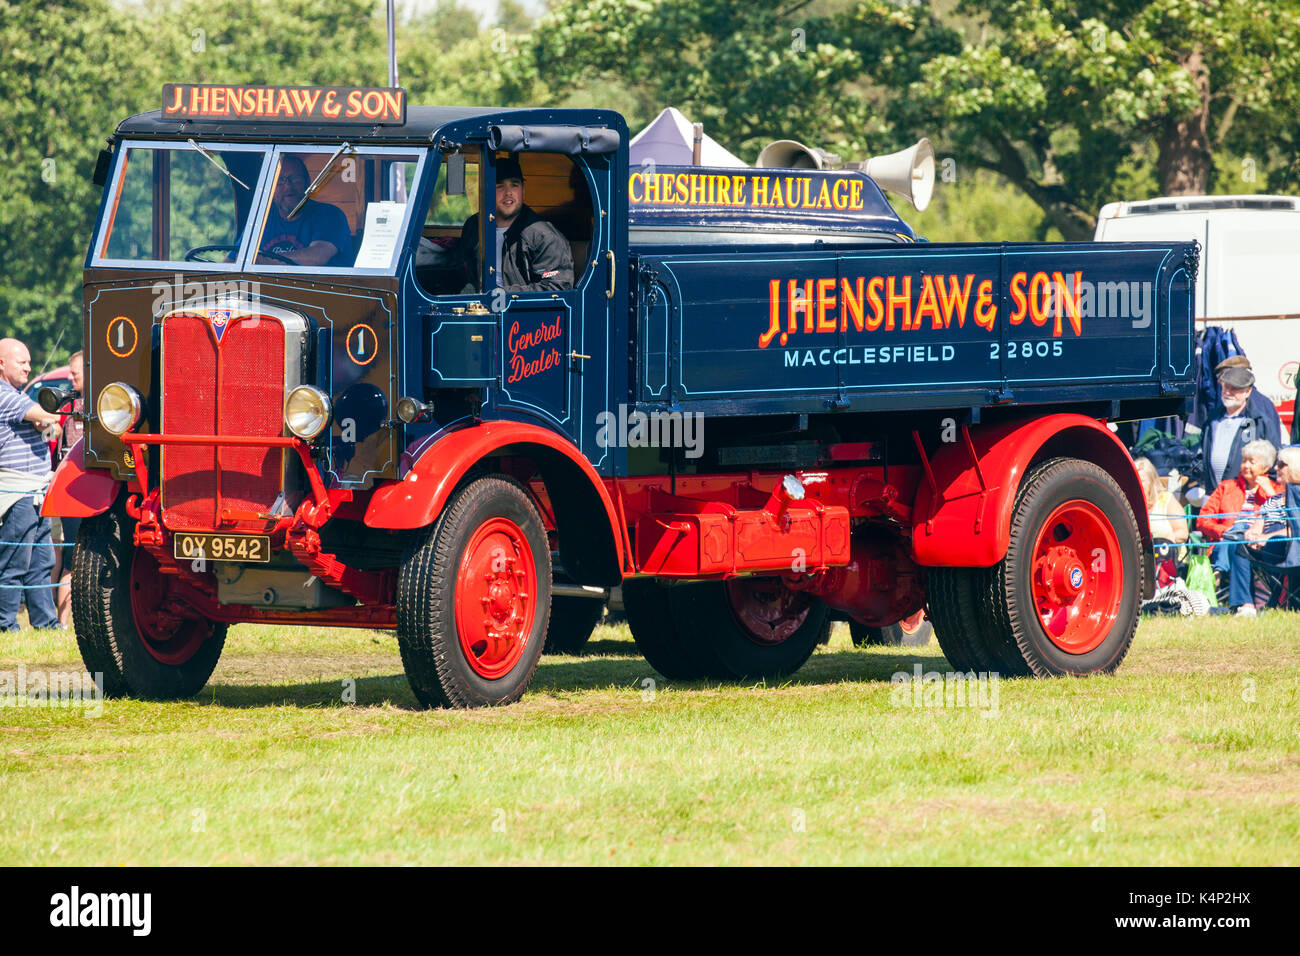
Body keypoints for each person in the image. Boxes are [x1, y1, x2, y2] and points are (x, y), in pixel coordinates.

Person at [0, 338, 62, 631]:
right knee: (14, 562)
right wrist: (44, 417)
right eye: (21, 362)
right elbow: (48, 418)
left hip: (36, 490)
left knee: (41, 563)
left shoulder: (18, 395)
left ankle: (46, 623)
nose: (29, 367)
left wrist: (45, 419)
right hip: (18, 493)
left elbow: (54, 426)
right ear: (1, 363)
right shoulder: (3, 394)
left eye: (28, 361)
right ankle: (5, 625)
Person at [459, 155, 573, 293]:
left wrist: (503, 293)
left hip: (516, 311)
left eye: (514, 185)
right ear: (486, 192)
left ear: (523, 190)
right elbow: (462, 267)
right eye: (499, 186)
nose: (508, 193)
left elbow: (557, 287)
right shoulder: (474, 225)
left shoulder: (544, 236)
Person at [1196, 439, 1280, 616]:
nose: (1245, 465)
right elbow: (1203, 519)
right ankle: (1245, 604)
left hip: (1260, 543)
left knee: (1239, 536)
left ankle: (1222, 575)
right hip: (1227, 540)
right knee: (1236, 535)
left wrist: (1270, 493)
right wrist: (1222, 531)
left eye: (1252, 461)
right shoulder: (1227, 487)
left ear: (1265, 467)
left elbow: (1283, 516)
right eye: (1244, 460)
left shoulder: (1275, 488)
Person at [1199, 356, 1284, 491]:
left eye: (1234, 388)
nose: (1227, 392)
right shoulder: (1213, 419)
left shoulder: (1260, 417)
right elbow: (1203, 452)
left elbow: (1273, 460)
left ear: (1247, 391)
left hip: (1246, 496)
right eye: (1225, 386)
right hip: (1215, 494)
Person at [257, 154, 353, 267]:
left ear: (307, 182)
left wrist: (263, 261)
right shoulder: (261, 218)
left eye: (295, 179)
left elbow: (317, 257)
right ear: (271, 186)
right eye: (280, 180)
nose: (288, 186)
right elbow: (234, 259)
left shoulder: (329, 215)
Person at [51, 350, 84, 628]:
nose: (70, 379)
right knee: (73, 560)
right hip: (76, 496)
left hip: (83, 496)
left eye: (75, 373)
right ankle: (63, 622)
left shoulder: (86, 407)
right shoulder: (74, 409)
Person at [1136, 457, 1187, 587]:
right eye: (1135, 481)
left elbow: (1182, 533)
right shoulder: (1131, 506)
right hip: (1141, 563)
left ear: (1152, 482)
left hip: (1169, 562)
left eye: (1142, 481)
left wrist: (1167, 540)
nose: (1138, 485)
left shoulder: (1166, 499)